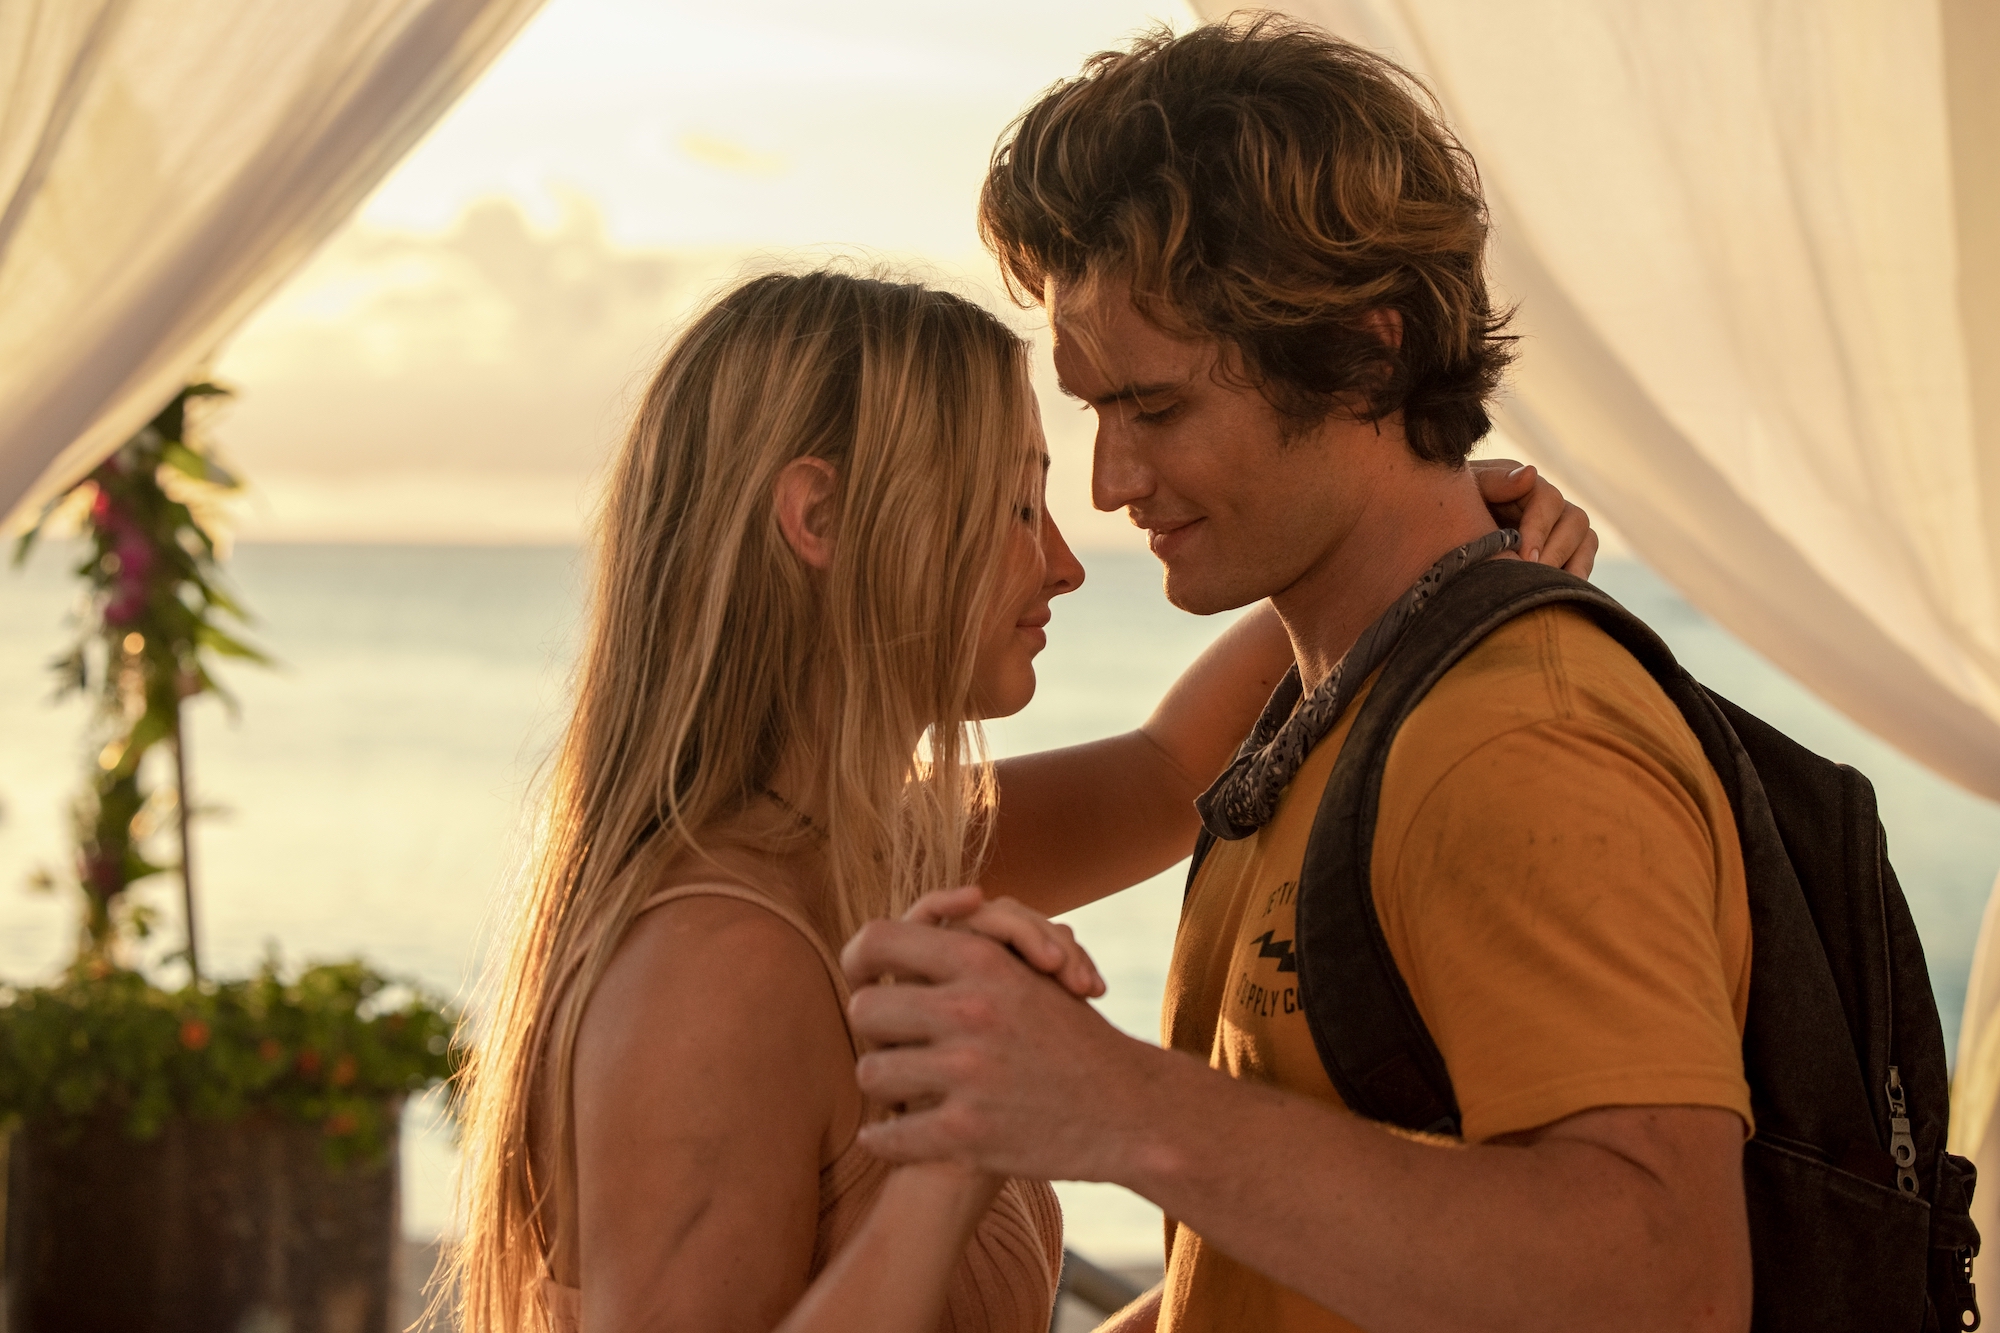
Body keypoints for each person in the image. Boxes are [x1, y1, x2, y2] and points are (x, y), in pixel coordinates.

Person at [446, 267, 1595, 1331]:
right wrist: (956, 1153)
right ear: (819, 517)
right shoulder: (716, 962)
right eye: (1010, 505)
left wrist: (1425, 547)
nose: (1061, 561)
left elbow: (1165, 776)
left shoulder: (872, 852)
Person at [842, 18, 1753, 1333]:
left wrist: (1117, 1103)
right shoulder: (1319, 724)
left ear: (1367, 355)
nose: (1109, 483)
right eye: (1095, 411)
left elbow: (1668, 1283)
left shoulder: (1514, 737)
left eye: (1155, 409)